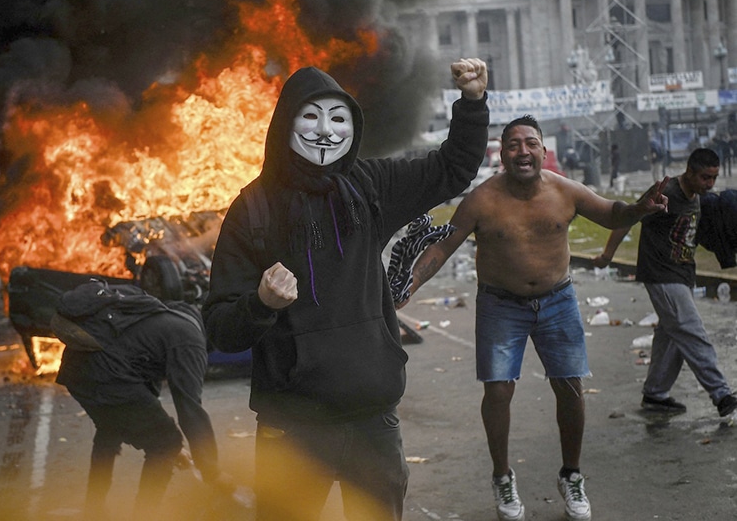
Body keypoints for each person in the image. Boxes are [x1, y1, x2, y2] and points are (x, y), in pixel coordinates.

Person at [203, 59, 490, 520]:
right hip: (292, 427)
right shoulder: (252, 209)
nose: (325, 130)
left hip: (372, 419)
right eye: (310, 116)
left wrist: (472, 103)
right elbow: (220, 328)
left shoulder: (370, 186)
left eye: (338, 118)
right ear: (285, 123)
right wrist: (261, 304)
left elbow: (452, 169)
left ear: (352, 128)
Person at [397, 115, 668, 521]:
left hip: (558, 301)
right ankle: (502, 477)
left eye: (530, 143)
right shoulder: (481, 200)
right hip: (500, 305)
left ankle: (571, 475)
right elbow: (441, 248)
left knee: (570, 389)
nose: (522, 151)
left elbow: (613, 214)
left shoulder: (566, 191)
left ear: (542, 149)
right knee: (498, 392)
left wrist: (640, 209)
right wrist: (409, 285)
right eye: (513, 145)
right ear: (502, 153)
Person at [54, 280, 232, 518]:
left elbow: (143, 384)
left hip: (76, 372)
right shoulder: (190, 341)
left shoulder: (168, 313)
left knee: (110, 427)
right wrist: (211, 470)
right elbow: (190, 408)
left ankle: (94, 507)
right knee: (166, 442)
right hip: (105, 376)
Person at [593, 148, 737, 420]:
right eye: (705, 177)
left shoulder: (698, 197)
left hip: (683, 274)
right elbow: (628, 218)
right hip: (661, 274)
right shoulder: (666, 192)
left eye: (714, 178)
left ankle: (655, 394)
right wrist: (607, 255)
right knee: (691, 330)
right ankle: (721, 395)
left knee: (671, 336)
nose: (710, 184)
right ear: (690, 171)